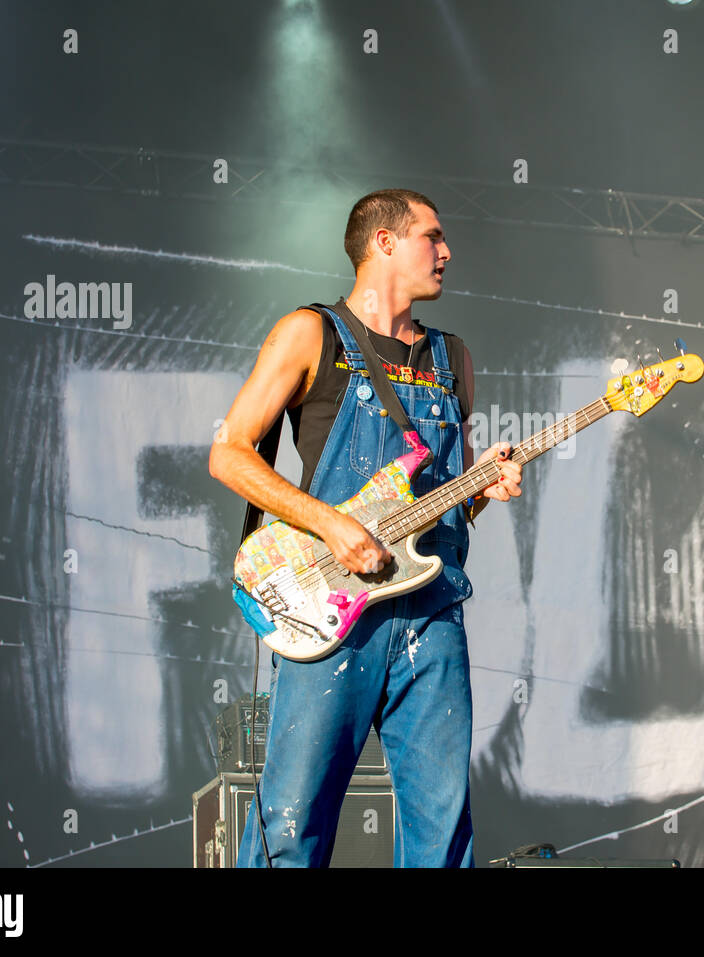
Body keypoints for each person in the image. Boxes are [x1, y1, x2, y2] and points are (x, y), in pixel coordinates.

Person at [209, 188, 522, 867]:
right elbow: (228, 451)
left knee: (443, 837)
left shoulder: (452, 359)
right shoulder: (310, 333)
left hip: (432, 617)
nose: (446, 251)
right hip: (334, 612)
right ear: (383, 242)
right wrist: (329, 524)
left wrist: (486, 489)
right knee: (290, 826)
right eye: (430, 237)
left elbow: (450, 504)